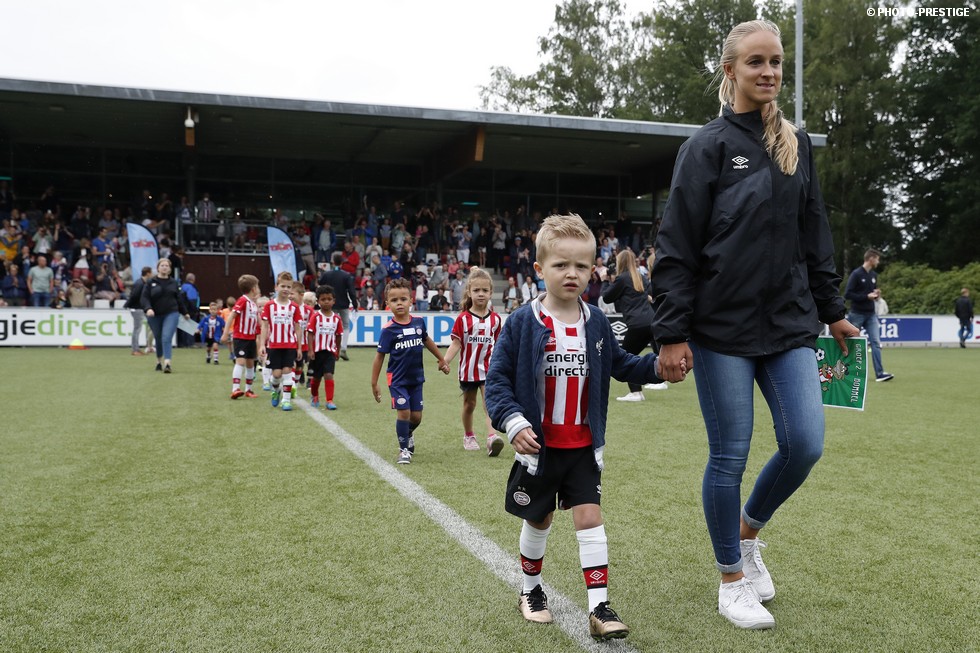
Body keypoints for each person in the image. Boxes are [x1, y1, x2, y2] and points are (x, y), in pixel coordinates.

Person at [651, 20, 860, 630]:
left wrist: (835, 312)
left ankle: (746, 535)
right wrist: (670, 332)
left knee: (806, 444)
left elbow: (814, 234)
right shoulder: (706, 147)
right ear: (731, 71)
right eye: (756, 63)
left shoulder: (797, 146)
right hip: (721, 331)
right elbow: (677, 245)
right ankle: (731, 581)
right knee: (730, 454)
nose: (769, 72)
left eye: (775, 62)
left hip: (791, 324)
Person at [485, 214, 665, 641]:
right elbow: (497, 383)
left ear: (593, 271)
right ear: (539, 270)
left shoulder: (596, 322)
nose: (572, 274)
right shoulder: (521, 322)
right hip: (540, 449)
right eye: (561, 265)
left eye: (581, 266)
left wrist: (659, 366)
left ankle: (599, 606)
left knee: (590, 517)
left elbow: (622, 365)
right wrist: (513, 424)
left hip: (584, 446)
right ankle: (530, 591)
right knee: (540, 518)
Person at [370, 277, 450, 464]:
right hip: (397, 380)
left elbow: (427, 340)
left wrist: (441, 359)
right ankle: (403, 450)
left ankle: (408, 433)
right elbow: (379, 356)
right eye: (394, 300)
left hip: (416, 379)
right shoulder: (388, 330)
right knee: (404, 413)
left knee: (416, 416)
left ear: (411, 301)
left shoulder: (419, 322)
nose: (399, 303)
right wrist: (374, 383)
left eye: (403, 299)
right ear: (387, 303)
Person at [443, 267, 505, 455]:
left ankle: (492, 437)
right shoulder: (463, 319)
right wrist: (445, 360)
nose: (480, 294)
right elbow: (456, 344)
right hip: (468, 371)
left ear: (491, 293)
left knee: (489, 404)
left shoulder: (495, 320)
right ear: (469, 292)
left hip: (488, 370)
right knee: (469, 405)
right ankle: (469, 435)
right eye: (476, 290)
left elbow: (498, 345)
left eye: (485, 291)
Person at [601, 249, 665, 401]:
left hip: (637, 324)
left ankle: (636, 392)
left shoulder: (622, 279)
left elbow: (607, 297)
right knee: (636, 355)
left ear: (620, 262)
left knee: (626, 358)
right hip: (650, 321)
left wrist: (604, 280)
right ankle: (650, 383)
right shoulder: (641, 277)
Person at [844, 249, 894, 382]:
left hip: (871, 314)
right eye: (877, 259)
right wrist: (866, 296)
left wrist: (877, 295)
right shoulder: (856, 274)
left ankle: (880, 373)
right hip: (856, 314)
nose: (878, 261)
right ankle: (845, 372)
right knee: (851, 344)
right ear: (871, 259)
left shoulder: (873, 275)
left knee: (876, 343)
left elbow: (872, 294)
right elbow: (848, 294)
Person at [257, 272, 304, 411]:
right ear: (276, 287)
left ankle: (286, 400)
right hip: (274, 346)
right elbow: (264, 326)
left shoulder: (294, 307)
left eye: (288, 287)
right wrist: (262, 345)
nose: (285, 289)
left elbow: (298, 329)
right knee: (276, 375)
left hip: (290, 345)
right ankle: (276, 390)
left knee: (288, 371)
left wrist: (299, 347)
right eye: (282, 286)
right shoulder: (269, 306)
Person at [141, 257, 191, 374]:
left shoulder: (174, 282)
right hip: (154, 315)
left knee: (166, 337)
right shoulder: (150, 282)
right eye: (162, 265)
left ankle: (167, 363)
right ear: (158, 268)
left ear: (170, 269)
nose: (164, 267)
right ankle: (159, 360)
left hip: (171, 313)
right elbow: (144, 298)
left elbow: (178, 299)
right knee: (158, 338)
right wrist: (148, 308)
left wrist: (185, 312)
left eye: (167, 266)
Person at [223, 274, 262, 399]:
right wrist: (225, 334)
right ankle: (235, 389)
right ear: (254, 289)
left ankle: (249, 390)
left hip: (251, 338)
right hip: (240, 337)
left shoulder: (253, 304)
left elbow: (259, 322)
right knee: (240, 361)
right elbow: (232, 316)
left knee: (251, 363)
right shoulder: (243, 300)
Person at [307, 285, 343, 409]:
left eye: (329, 299)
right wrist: (310, 350)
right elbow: (310, 333)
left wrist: (337, 350)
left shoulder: (337, 318)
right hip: (317, 352)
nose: (326, 301)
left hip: (329, 352)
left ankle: (329, 400)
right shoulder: (315, 317)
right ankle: (315, 395)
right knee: (316, 377)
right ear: (318, 301)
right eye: (323, 299)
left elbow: (338, 336)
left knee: (328, 374)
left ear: (334, 301)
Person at [318, 252, 357, 361]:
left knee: (332, 326)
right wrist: (354, 304)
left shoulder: (327, 274)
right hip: (344, 304)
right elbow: (351, 291)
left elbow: (320, 284)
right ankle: (343, 348)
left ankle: (332, 348)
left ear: (333, 262)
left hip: (330, 304)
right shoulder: (346, 275)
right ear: (342, 263)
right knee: (345, 326)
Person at [124, 266, 153, 356]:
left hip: (139, 308)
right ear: (148, 273)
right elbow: (134, 296)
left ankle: (141, 347)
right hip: (136, 308)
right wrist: (128, 305)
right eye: (151, 273)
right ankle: (135, 349)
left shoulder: (141, 282)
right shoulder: (140, 283)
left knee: (139, 328)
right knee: (137, 329)